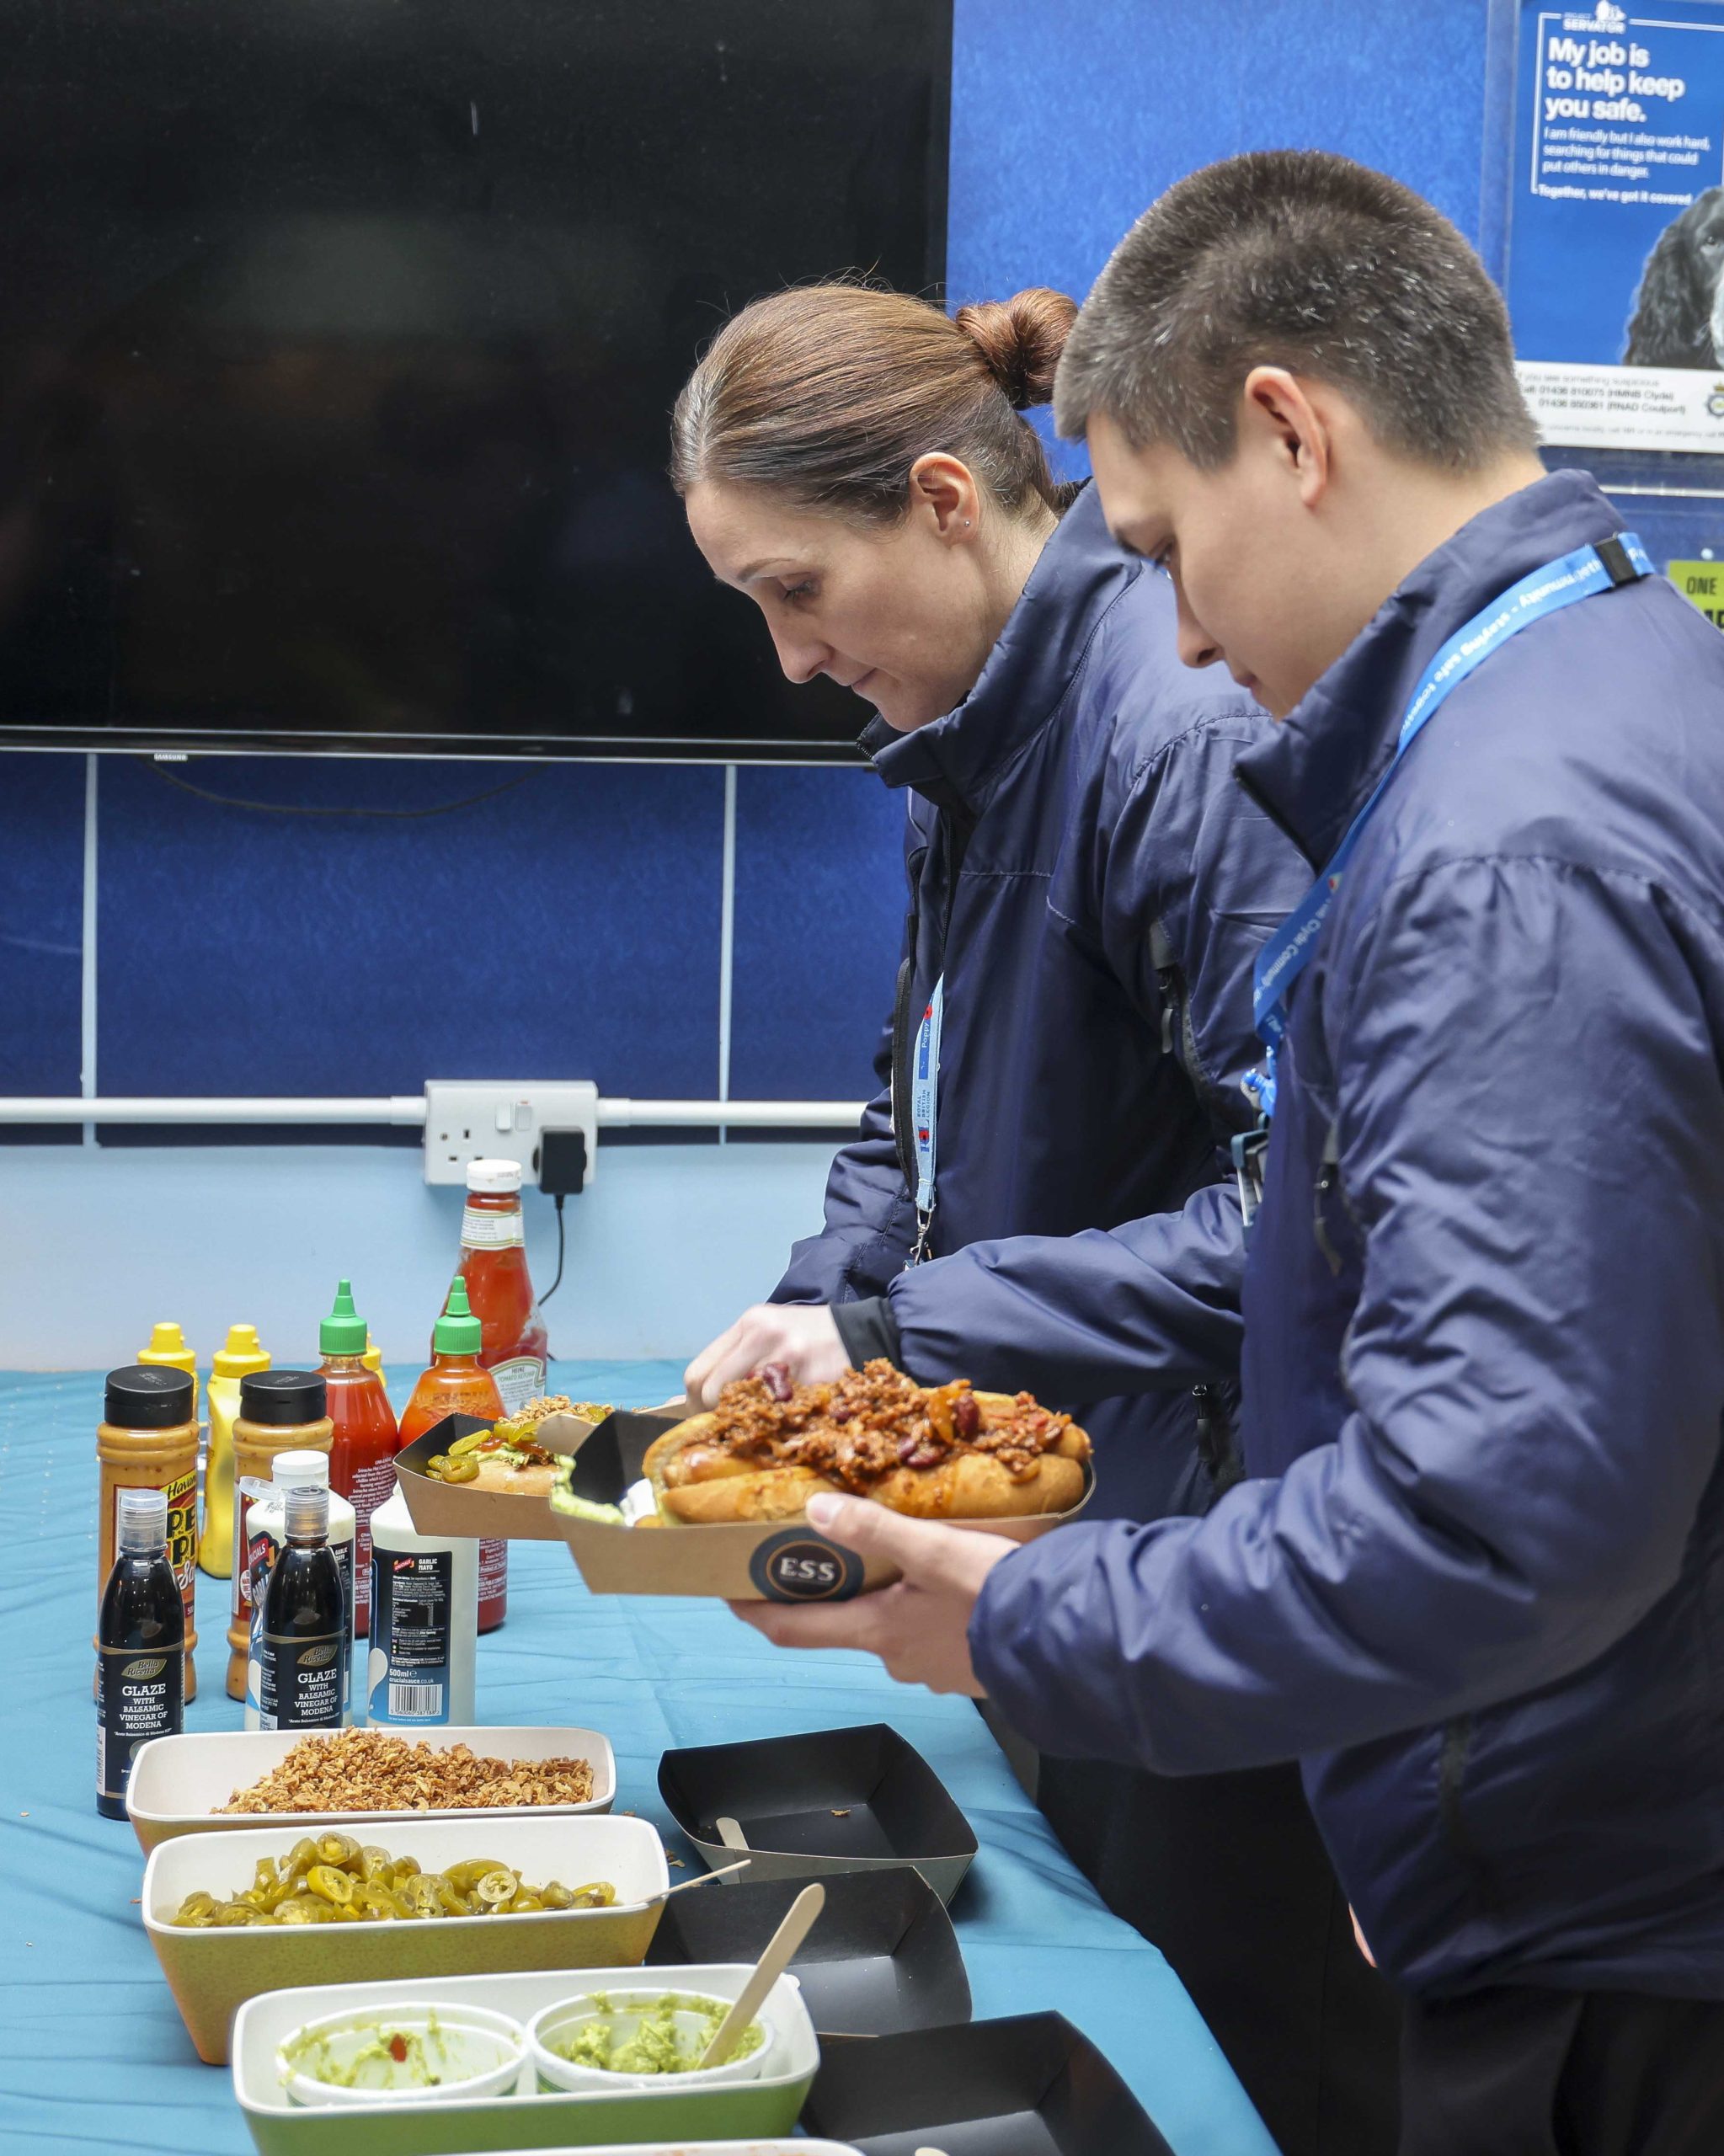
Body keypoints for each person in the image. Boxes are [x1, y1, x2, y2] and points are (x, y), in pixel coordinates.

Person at [736, 153, 1724, 2155]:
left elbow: (1496, 1515)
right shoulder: (1614, 684)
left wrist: (1021, 1616)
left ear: (1289, 432)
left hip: (1614, 1916)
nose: (1174, 639)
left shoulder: (1508, 844)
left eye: (1169, 549)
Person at [671, 281, 1398, 2154]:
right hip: (1072, 1533)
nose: (784, 657)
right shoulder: (974, 731)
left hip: (1216, 1567)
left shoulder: (1167, 742)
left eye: (794, 590)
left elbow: (1301, 1217)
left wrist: (910, 1329)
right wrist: (813, 1307)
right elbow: (905, 1101)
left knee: (1243, 2075)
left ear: (937, 495)